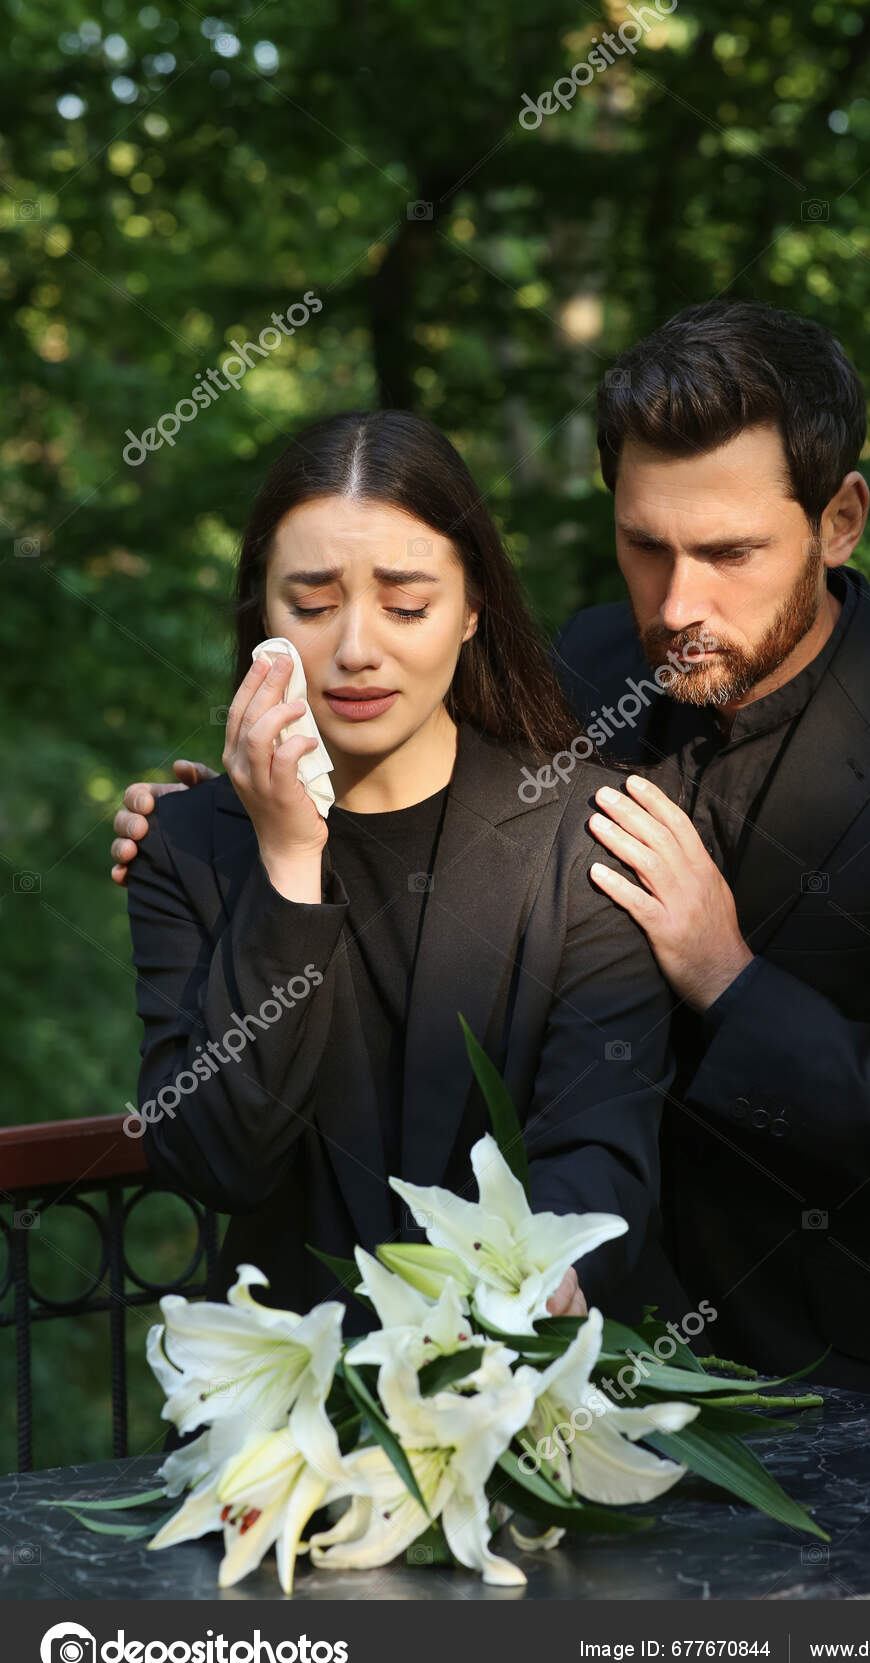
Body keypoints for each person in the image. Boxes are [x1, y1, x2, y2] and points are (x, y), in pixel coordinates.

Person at [116, 302, 870, 1428]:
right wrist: (220, 827)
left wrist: (730, 979)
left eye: (728, 553)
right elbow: (397, 764)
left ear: (840, 518)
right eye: (643, 545)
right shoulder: (584, 664)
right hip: (593, 1384)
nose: (675, 605)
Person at [119, 407, 681, 1331]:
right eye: (309, 604)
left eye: (406, 604)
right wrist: (291, 863)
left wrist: (541, 1272)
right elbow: (217, 1158)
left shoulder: (585, 832)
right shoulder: (185, 846)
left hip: (517, 1376)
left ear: (471, 611)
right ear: (261, 614)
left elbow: (599, 1136)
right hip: (289, 1407)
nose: (355, 650)